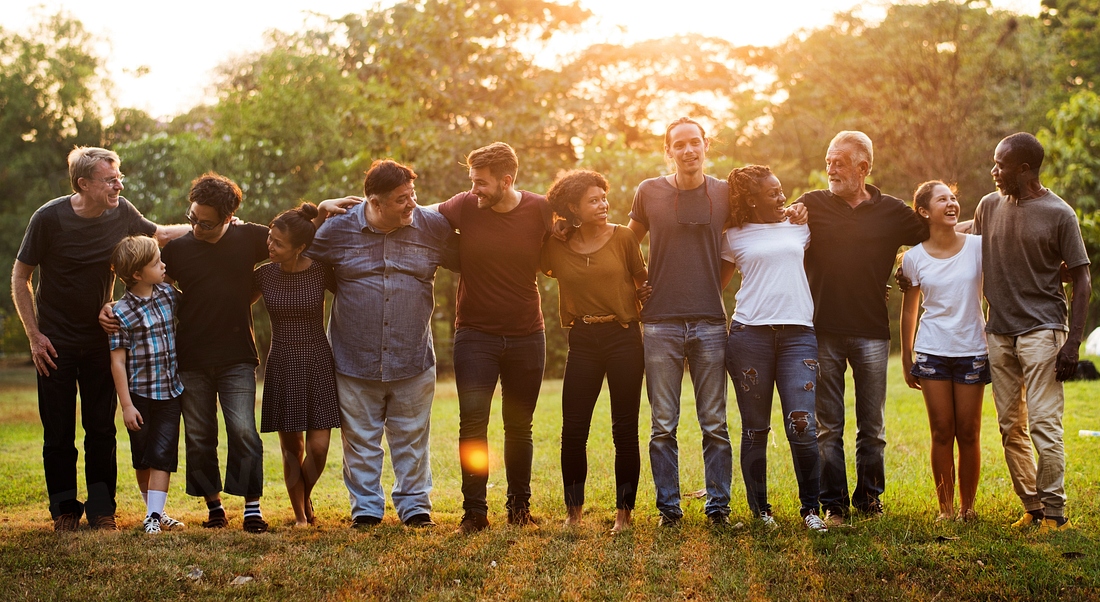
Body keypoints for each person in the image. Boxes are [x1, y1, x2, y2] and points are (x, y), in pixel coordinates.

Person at [11, 147, 187, 532]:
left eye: (119, 176)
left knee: (101, 429)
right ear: (84, 184)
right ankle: (64, 512)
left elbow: (160, 234)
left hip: (99, 340)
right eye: (110, 179)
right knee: (58, 431)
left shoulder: (120, 211)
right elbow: (20, 277)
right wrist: (34, 336)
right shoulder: (48, 218)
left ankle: (102, 509)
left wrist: (215, 225)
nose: (119, 185)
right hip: (54, 344)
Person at [307, 159, 457, 529]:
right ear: (373, 201)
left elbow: (476, 256)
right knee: (360, 441)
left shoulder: (432, 227)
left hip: (413, 356)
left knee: (411, 439)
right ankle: (367, 509)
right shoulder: (335, 231)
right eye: (401, 199)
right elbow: (295, 255)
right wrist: (315, 214)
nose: (411, 204)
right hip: (353, 358)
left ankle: (415, 507)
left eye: (412, 195)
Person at [795, 131, 927, 526]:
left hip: (871, 332)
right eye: (828, 161)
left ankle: (869, 499)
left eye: (838, 162)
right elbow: (776, 225)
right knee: (827, 427)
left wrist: (906, 269)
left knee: (873, 426)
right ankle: (834, 504)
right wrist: (790, 213)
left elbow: (937, 235)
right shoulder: (812, 204)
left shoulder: (893, 211)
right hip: (822, 331)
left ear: (863, 167)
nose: (830, 168)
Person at [973, 132, 1090, 531]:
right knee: (1010, 426)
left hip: (1043, 330)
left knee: (1043, 423)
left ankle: (1055, 514)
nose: (994, 171)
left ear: (1024, 169)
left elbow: (1082, 280)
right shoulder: (988, 206)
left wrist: (1073, 343)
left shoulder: (1061, 214)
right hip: (999, 330)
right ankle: (1033, 506)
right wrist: (908, 265)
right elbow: (960, 252)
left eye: (1000, 164)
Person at [437, 142, 550, 533]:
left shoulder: (539, 209)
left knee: (520, 426)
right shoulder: (465, 206)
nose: (475, 190)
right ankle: (475, 513)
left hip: (526, 335)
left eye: (481, 183)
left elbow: (571, 238)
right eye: (471, 182)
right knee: (473, 425)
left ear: (507, 180)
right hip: (475, 336)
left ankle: (519, 508)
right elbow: (417, 217)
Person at [627, 118, 733, 527]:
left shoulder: (725, 193)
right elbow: (626, 244)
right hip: (659, 325)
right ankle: (669, 510)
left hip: (710, 322)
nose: (689, 150)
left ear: (706, 145)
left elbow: (735, 248)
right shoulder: (648, 191)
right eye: (679, 145)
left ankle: (718, 508)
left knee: (715, 424)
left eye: (695, 142)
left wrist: (712, 287)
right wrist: (640, 283)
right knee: (662, 425)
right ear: (668, 150)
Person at [162, 173, 272, 533]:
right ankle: (214, 506)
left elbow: (292, 239)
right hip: (190, 356)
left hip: (238, 354)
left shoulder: (250, 237)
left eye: (205, 223)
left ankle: (252, 506)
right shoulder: (177, 250)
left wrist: (319, 211)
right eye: (192, 218)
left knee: (242, 429)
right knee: (199, 434)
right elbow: (151, 283)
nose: (195, 228)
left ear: (228, 218)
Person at [721, 165, 828, 533]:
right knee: (755, 428)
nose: (782, 198)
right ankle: (760, 511)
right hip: (750, 336)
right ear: (751, 200)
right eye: (773, 193)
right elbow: (715, 286)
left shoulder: (801, 225)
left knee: (802, 424)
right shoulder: (733, 235)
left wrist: (803, 210)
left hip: (799, 334)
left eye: (782, 191)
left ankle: (810, 509)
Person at [541, 170, 647, 534]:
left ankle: (624, 514)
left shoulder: (624, 237)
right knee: (573, 430)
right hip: (583, 338)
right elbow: (531, 233)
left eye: (604, 198)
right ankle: (574, 512)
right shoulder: (555, 245)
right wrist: (553, 225)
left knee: (625, 429)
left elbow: (642, 281)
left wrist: (643, 299)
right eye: (593, 200)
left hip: (623, 337)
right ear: (573, 207)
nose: (602, 205)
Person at [899, 181, 988, 523]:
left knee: (968, 431)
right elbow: (910, 310)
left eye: (954, 198)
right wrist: (907, 359)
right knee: (941, 430)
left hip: (972, 349)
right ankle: (946, 510)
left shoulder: (978, 247)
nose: (952, 203)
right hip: (932, 351)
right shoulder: (913, 257)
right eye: (942, 200)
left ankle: (968, 509)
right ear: (924, 211)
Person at [254, 203, 340, 528]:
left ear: (300, 247)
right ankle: (301, 516)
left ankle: (304, 497)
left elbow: (354, 291)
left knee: (318, 450)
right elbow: (227, 299)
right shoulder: (263, 274)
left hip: (317, 358)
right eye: (270, 238)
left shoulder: (320, 269)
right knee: (293, 449)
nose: (270, 246)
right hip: (283, 361)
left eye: (278, 243)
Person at [108, 235, 186, 534]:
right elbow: (117, 361)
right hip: (139, 395)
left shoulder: (168, 294)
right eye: (156, 263)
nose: (163, 265)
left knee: (163, 454)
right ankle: (154, 510)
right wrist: (126, 405)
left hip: (170, 392)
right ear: (137, 274)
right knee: (142, 457)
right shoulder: (120, 313)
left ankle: (153, 515)